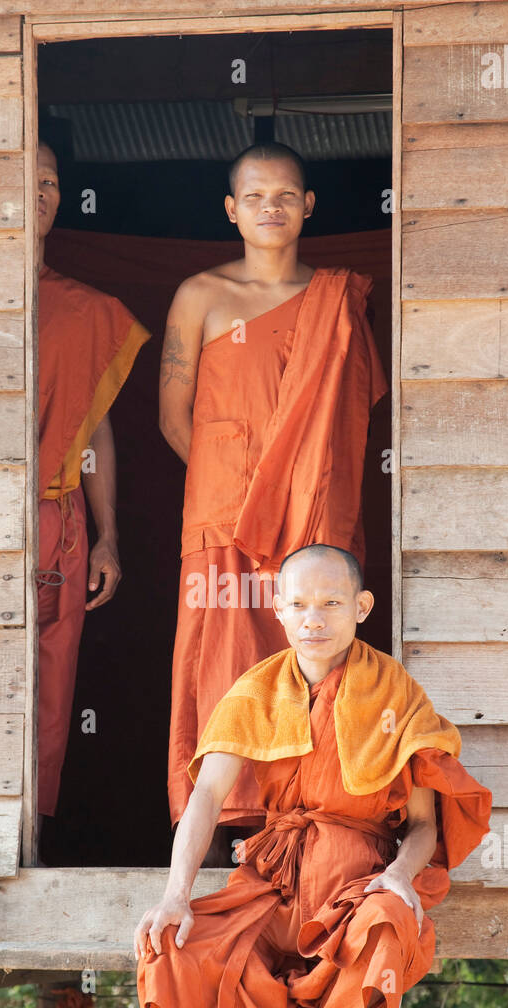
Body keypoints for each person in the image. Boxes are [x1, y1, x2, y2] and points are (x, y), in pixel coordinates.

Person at [135, 544, 492, 1008]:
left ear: (362, 607)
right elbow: (205, 795)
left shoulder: (394, 691)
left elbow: (423, 825)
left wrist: (397, 878)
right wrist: (175, 895)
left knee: (388, 926)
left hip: (355, 885)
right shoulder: (257, 689)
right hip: (275, 880)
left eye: (331, 603)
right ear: (278, 609)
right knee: (174, 950)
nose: (314, 619)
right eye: (299, 605)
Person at [160, 142, 388, 847]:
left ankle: (307, 815)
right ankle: (228, 823)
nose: (271, 207)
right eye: (254, 197)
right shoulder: (201, 296)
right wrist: (240, 490)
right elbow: (174, 417)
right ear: (231, 209)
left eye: (286, 194)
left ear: (308, 205)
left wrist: (294, 494)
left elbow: (349, 417)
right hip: (221, 519)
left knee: (312, 652)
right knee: (226, 658)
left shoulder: (337, 301)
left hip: (313, 526)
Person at [37, 141, 150, 849]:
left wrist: (107, 534)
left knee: (51, 689)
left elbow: (95, 429)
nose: (42, 189)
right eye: (28, 175)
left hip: (60, 522)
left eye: (51, 179)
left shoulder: (83, 311)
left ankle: (31, 836)